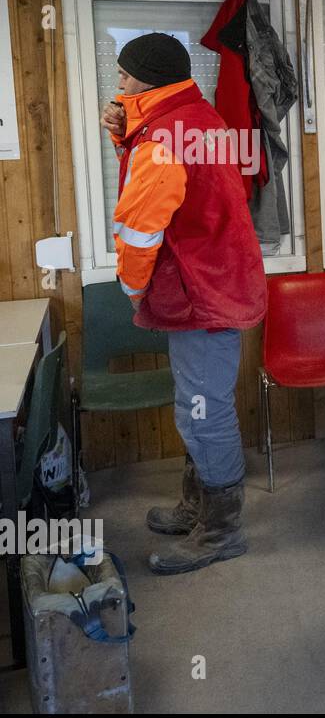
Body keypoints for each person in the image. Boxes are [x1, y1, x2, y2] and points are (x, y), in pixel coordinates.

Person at [100, 32, 267, 575]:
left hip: (200, 291)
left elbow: (140, 226)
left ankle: (221, 531)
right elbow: (184, 186)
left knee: (204, 411)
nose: (119, 82)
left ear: (146, 78)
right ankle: (197, 507)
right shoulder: (197, 116)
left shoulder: (163, 138)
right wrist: (128, 142)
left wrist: (133, 289)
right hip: (216, 280)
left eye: (125, 75)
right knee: (196, 404)